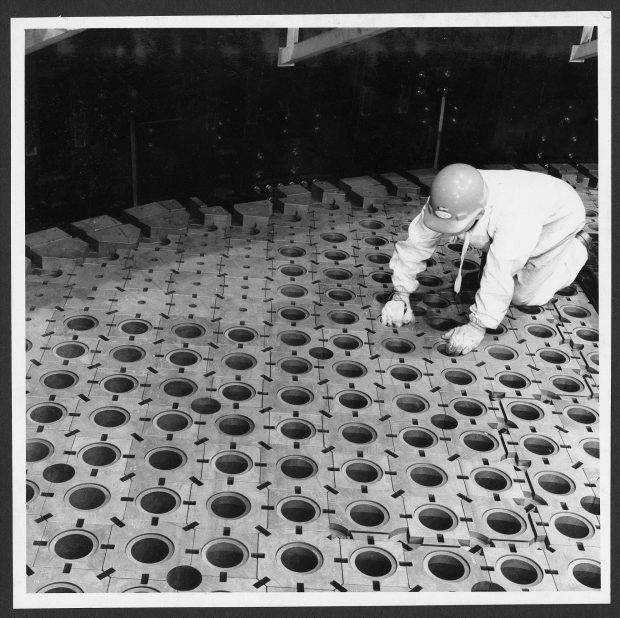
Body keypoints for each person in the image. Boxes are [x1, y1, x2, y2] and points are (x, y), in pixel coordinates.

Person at [380, 163, 591, 355]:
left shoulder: (516, 219)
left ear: (479, 214)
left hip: (558, 217)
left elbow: (501, 269)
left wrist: (477, 326)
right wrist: (400, 294)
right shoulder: (449, 194)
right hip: (520, 208)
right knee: (490, 271)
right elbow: (417, 243)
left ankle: (578, 247)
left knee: (523, 297)